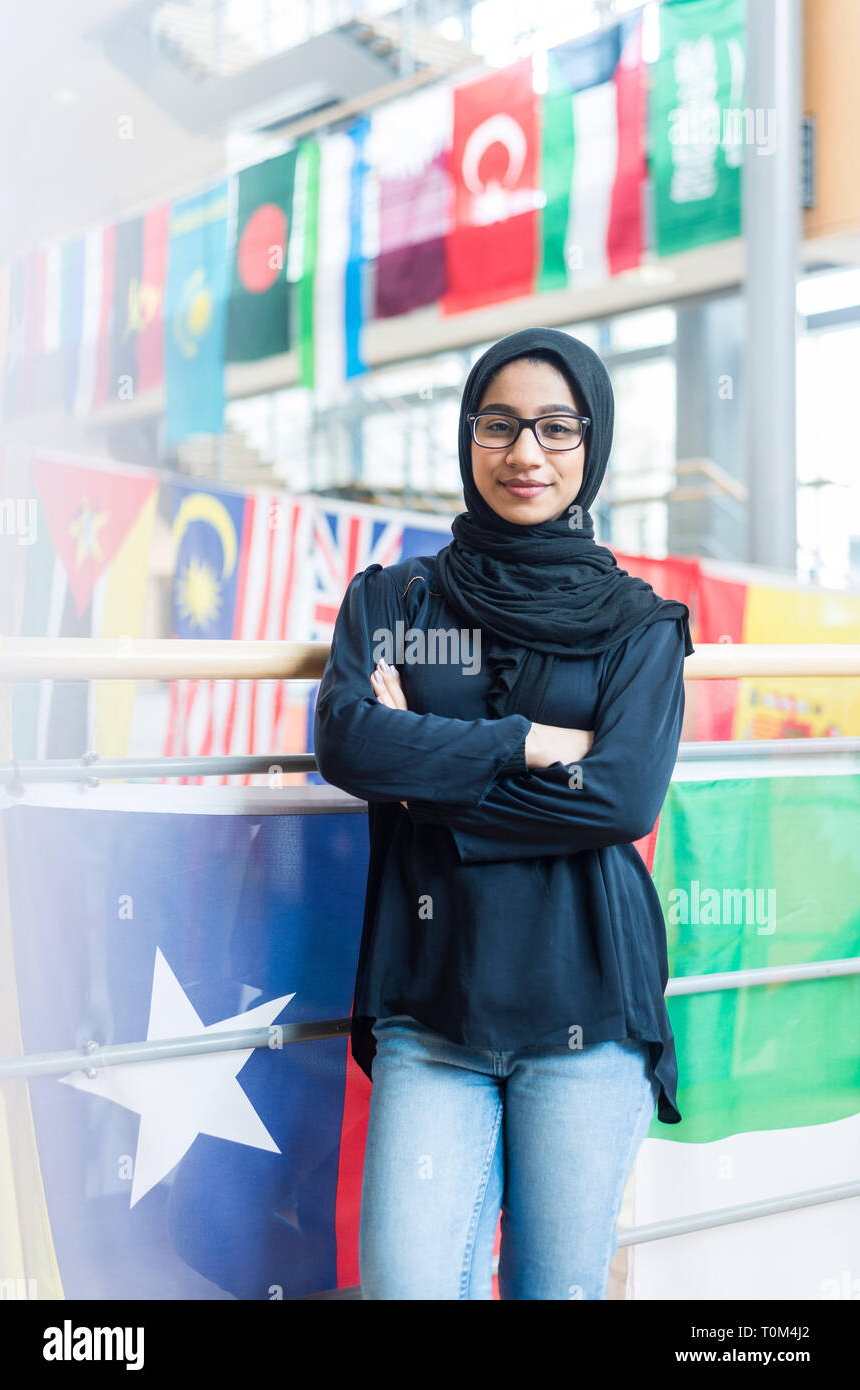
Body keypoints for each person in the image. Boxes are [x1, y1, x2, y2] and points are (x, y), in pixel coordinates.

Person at [313, 325, 694, 1300]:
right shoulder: (396, 597)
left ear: (593, 443)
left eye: (558, 428)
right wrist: (520, 743)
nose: (526, 453)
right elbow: (350, 742)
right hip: (432, 1006)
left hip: (587, 1005)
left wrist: (424, 786)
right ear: (467, 435)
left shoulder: (639, 624)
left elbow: (620, 795)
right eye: (501, 424)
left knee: (553, 1291)